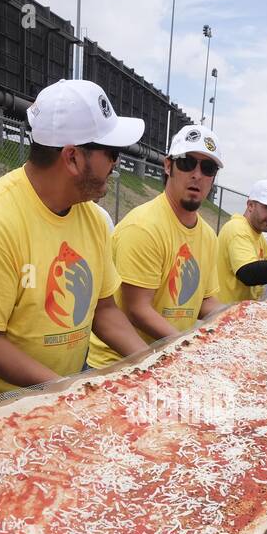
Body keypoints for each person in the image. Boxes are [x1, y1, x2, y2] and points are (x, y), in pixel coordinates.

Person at [0, 79, 148, 402]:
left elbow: (104, 309)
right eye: (112, 152)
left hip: (55, 393)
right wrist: (67, 389)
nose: (116, 164)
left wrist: (153, 363)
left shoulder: (91, 218)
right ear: (73, 158)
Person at [86, 125, 225, 369]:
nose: (197, 174)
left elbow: (204, 301)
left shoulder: (207, 235)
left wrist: (241, 317)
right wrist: (186, 350)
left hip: (168, 357)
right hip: (121, 365)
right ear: (168, 165)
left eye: (208, 168)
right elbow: (137, 309)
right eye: (187, 162)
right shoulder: (144, 227)